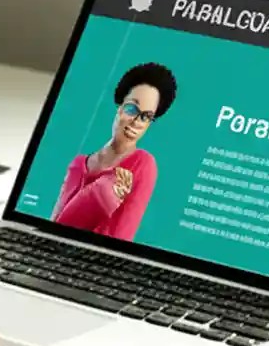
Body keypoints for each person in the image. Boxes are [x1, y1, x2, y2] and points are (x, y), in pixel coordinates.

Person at [50, 63, 178, 241]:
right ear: (119, 106)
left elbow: (118, 238)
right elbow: (55, 229)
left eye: (146, 117)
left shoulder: (142, 164)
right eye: (132, 109)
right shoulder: (78, 164)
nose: (136, 122)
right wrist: (101, 196)